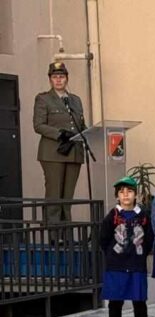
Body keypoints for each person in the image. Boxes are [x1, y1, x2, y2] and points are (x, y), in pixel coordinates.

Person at [100, 177, 154, 317]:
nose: (125, 195)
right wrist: (112, 255)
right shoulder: (112, 216)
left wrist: (141, 253)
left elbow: (149, 238)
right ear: (117, 196)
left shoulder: (143, 216)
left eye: (129, 191)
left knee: (139, 300)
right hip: (116, 265)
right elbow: (103, 239)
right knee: (115, 301)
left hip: (136, 264)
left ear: (136, 195)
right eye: (122, 192)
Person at [33, 62, 85, 223]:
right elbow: (38, 125)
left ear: (67, 78)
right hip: (53, 152)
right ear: (50, 79)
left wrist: (91, 133)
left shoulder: (75, 100)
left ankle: (66, 232)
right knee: (55, 195)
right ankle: (55, 236)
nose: (58, 80)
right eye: (54, 77)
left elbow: (81, 125)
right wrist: (59, 134)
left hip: (73, 152)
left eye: (61, 76)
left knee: (67, 197)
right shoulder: (44, 99)